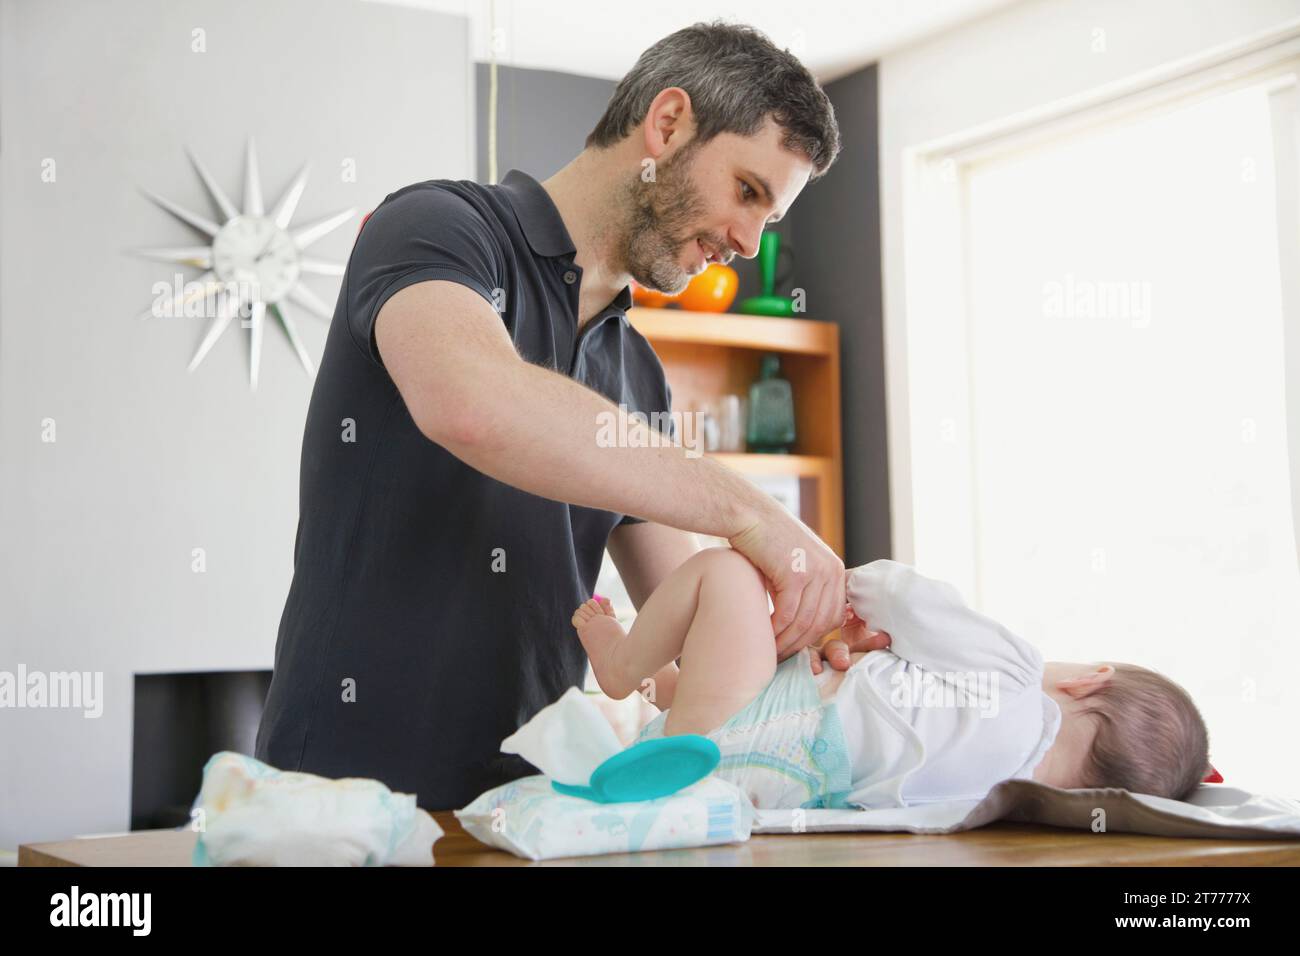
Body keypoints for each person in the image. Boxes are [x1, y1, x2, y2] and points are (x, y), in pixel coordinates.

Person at [255, 21, 877, 810]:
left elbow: (676, 630)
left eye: (770, 218)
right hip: (339, 797)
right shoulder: (441, 228)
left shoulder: (637, 373)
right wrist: (753, 512)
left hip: (525, 809)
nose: (749, 243)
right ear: (668, 123)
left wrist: (806, 652)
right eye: (748, 192)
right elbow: (472, 403)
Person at [574, 551, 1210, 810]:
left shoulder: (1018, 675)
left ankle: (623, 669)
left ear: (1090, 681)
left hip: (758, 718)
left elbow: (906, 598)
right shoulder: (995, 803)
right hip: (778, 787)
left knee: (728, 573)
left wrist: (843, 589)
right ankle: (665, 750)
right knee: (724, 693)